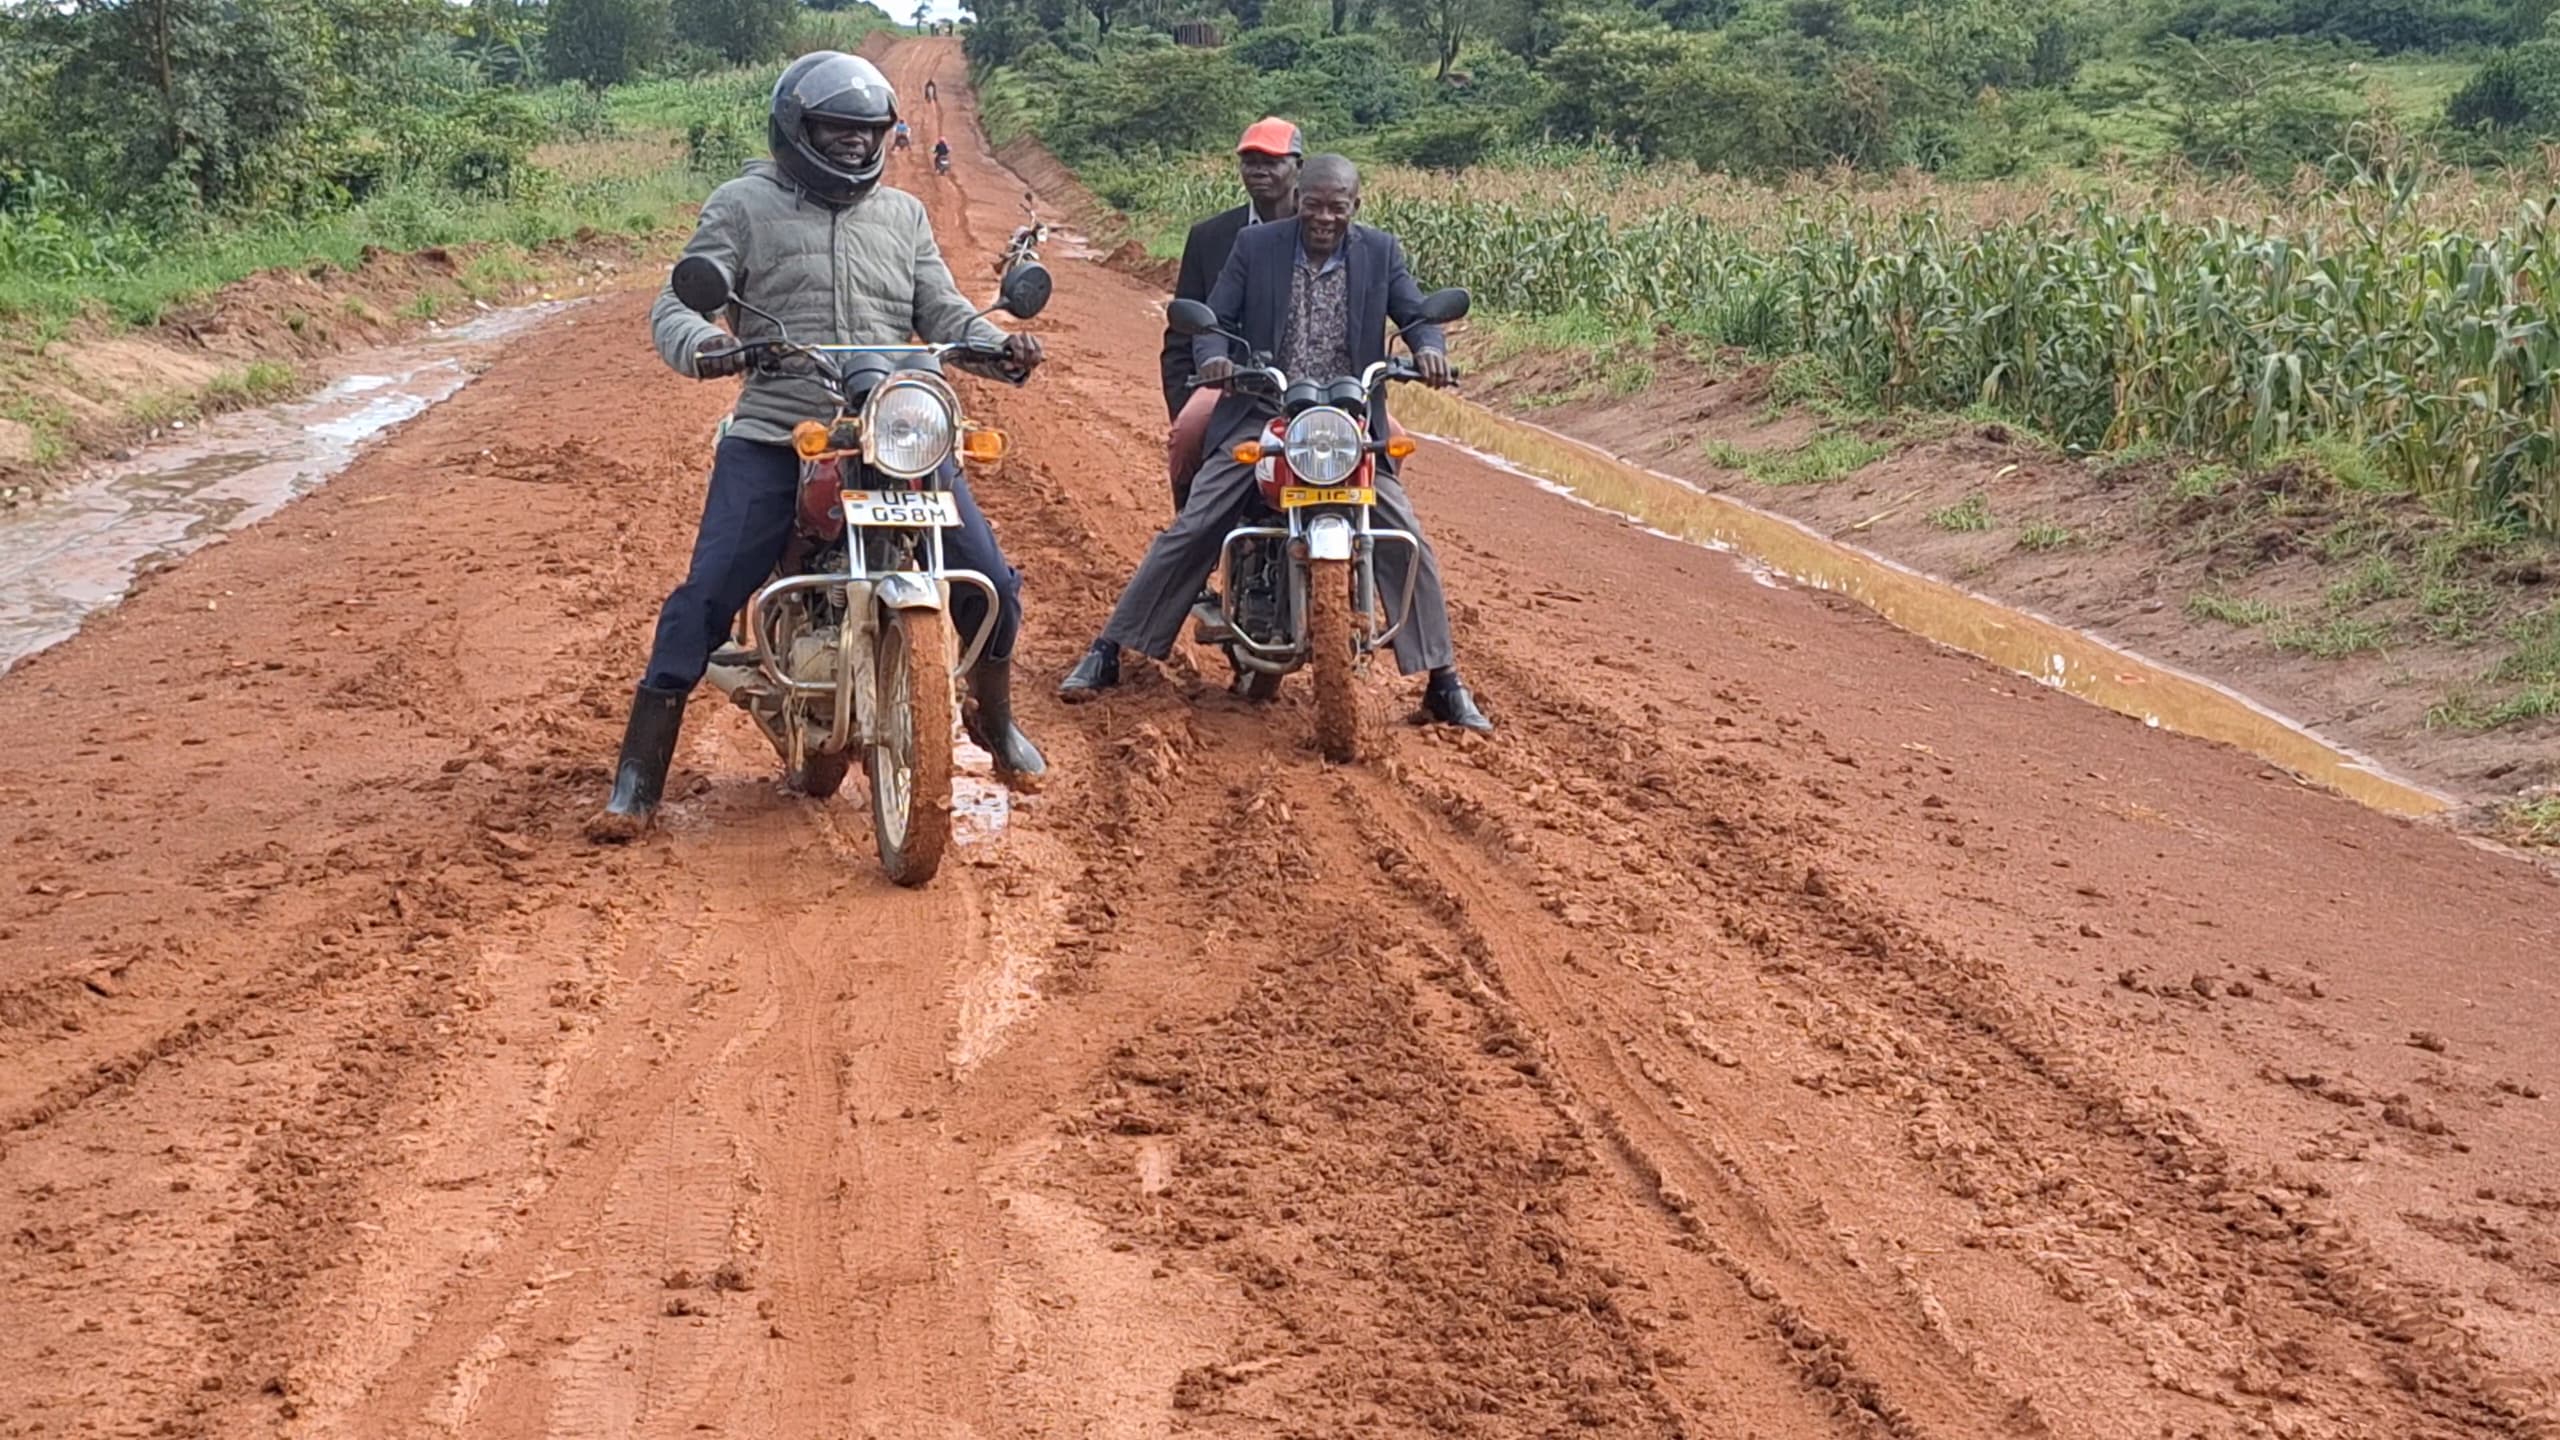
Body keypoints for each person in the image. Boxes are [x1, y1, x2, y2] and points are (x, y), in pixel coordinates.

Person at [594, 51, 1048, 841]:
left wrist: (992, 342)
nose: (852, 145)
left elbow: (939, 307)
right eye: (836, 130)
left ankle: (993, 720)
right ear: (796, 128)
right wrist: (708, 346)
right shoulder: (742, 204)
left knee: (992, 582)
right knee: (706, 595)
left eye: (866, 132)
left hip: (897, 426)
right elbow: (678, 302)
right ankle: (640, 775)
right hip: (781, 426)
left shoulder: (902, 215)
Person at [1059, 154, 1492, 733]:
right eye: (1314, 205)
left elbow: (1416, 314)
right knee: (1198, 520)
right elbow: (1215, 317)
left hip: (1346, 419)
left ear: (1355, 207)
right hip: (1263, 410)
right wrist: (1214, 359)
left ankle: (1443, 680)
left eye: (1337, 207)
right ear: (1298, 201)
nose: (1324, 217)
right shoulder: (1256, 249)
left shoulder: (1380, 252)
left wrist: (1428, 347)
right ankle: (1112, 649)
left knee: (1402, 530)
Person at [1158, 117, 1303, 513]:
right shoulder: (1211, 237)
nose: (1259, 170)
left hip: (1318, 385)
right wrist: (1189, 398)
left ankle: (1376, 555)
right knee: (1187, 435)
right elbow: (1182, 334)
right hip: (1232, 383)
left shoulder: (1325, 231)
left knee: (1388, 439)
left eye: (1272, 161)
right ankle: (1190, 559)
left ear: (1298, 166)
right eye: (1250, 161)